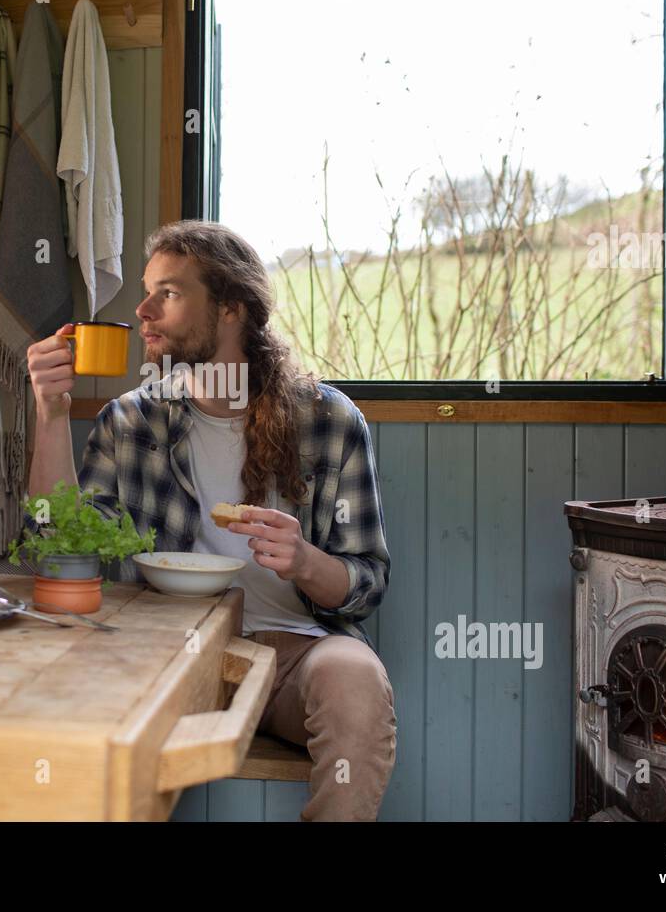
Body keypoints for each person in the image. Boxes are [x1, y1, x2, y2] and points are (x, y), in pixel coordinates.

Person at [25, 219, 395, 821]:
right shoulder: (131, 422)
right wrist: (50, 413)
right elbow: (59, 552)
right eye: (147, 291)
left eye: (168, 293)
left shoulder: (329, 420)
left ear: (231, 308)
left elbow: (366, 584)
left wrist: (305, 561)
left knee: (356, 681)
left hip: (289, 656)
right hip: (160, 651)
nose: (143, 310)